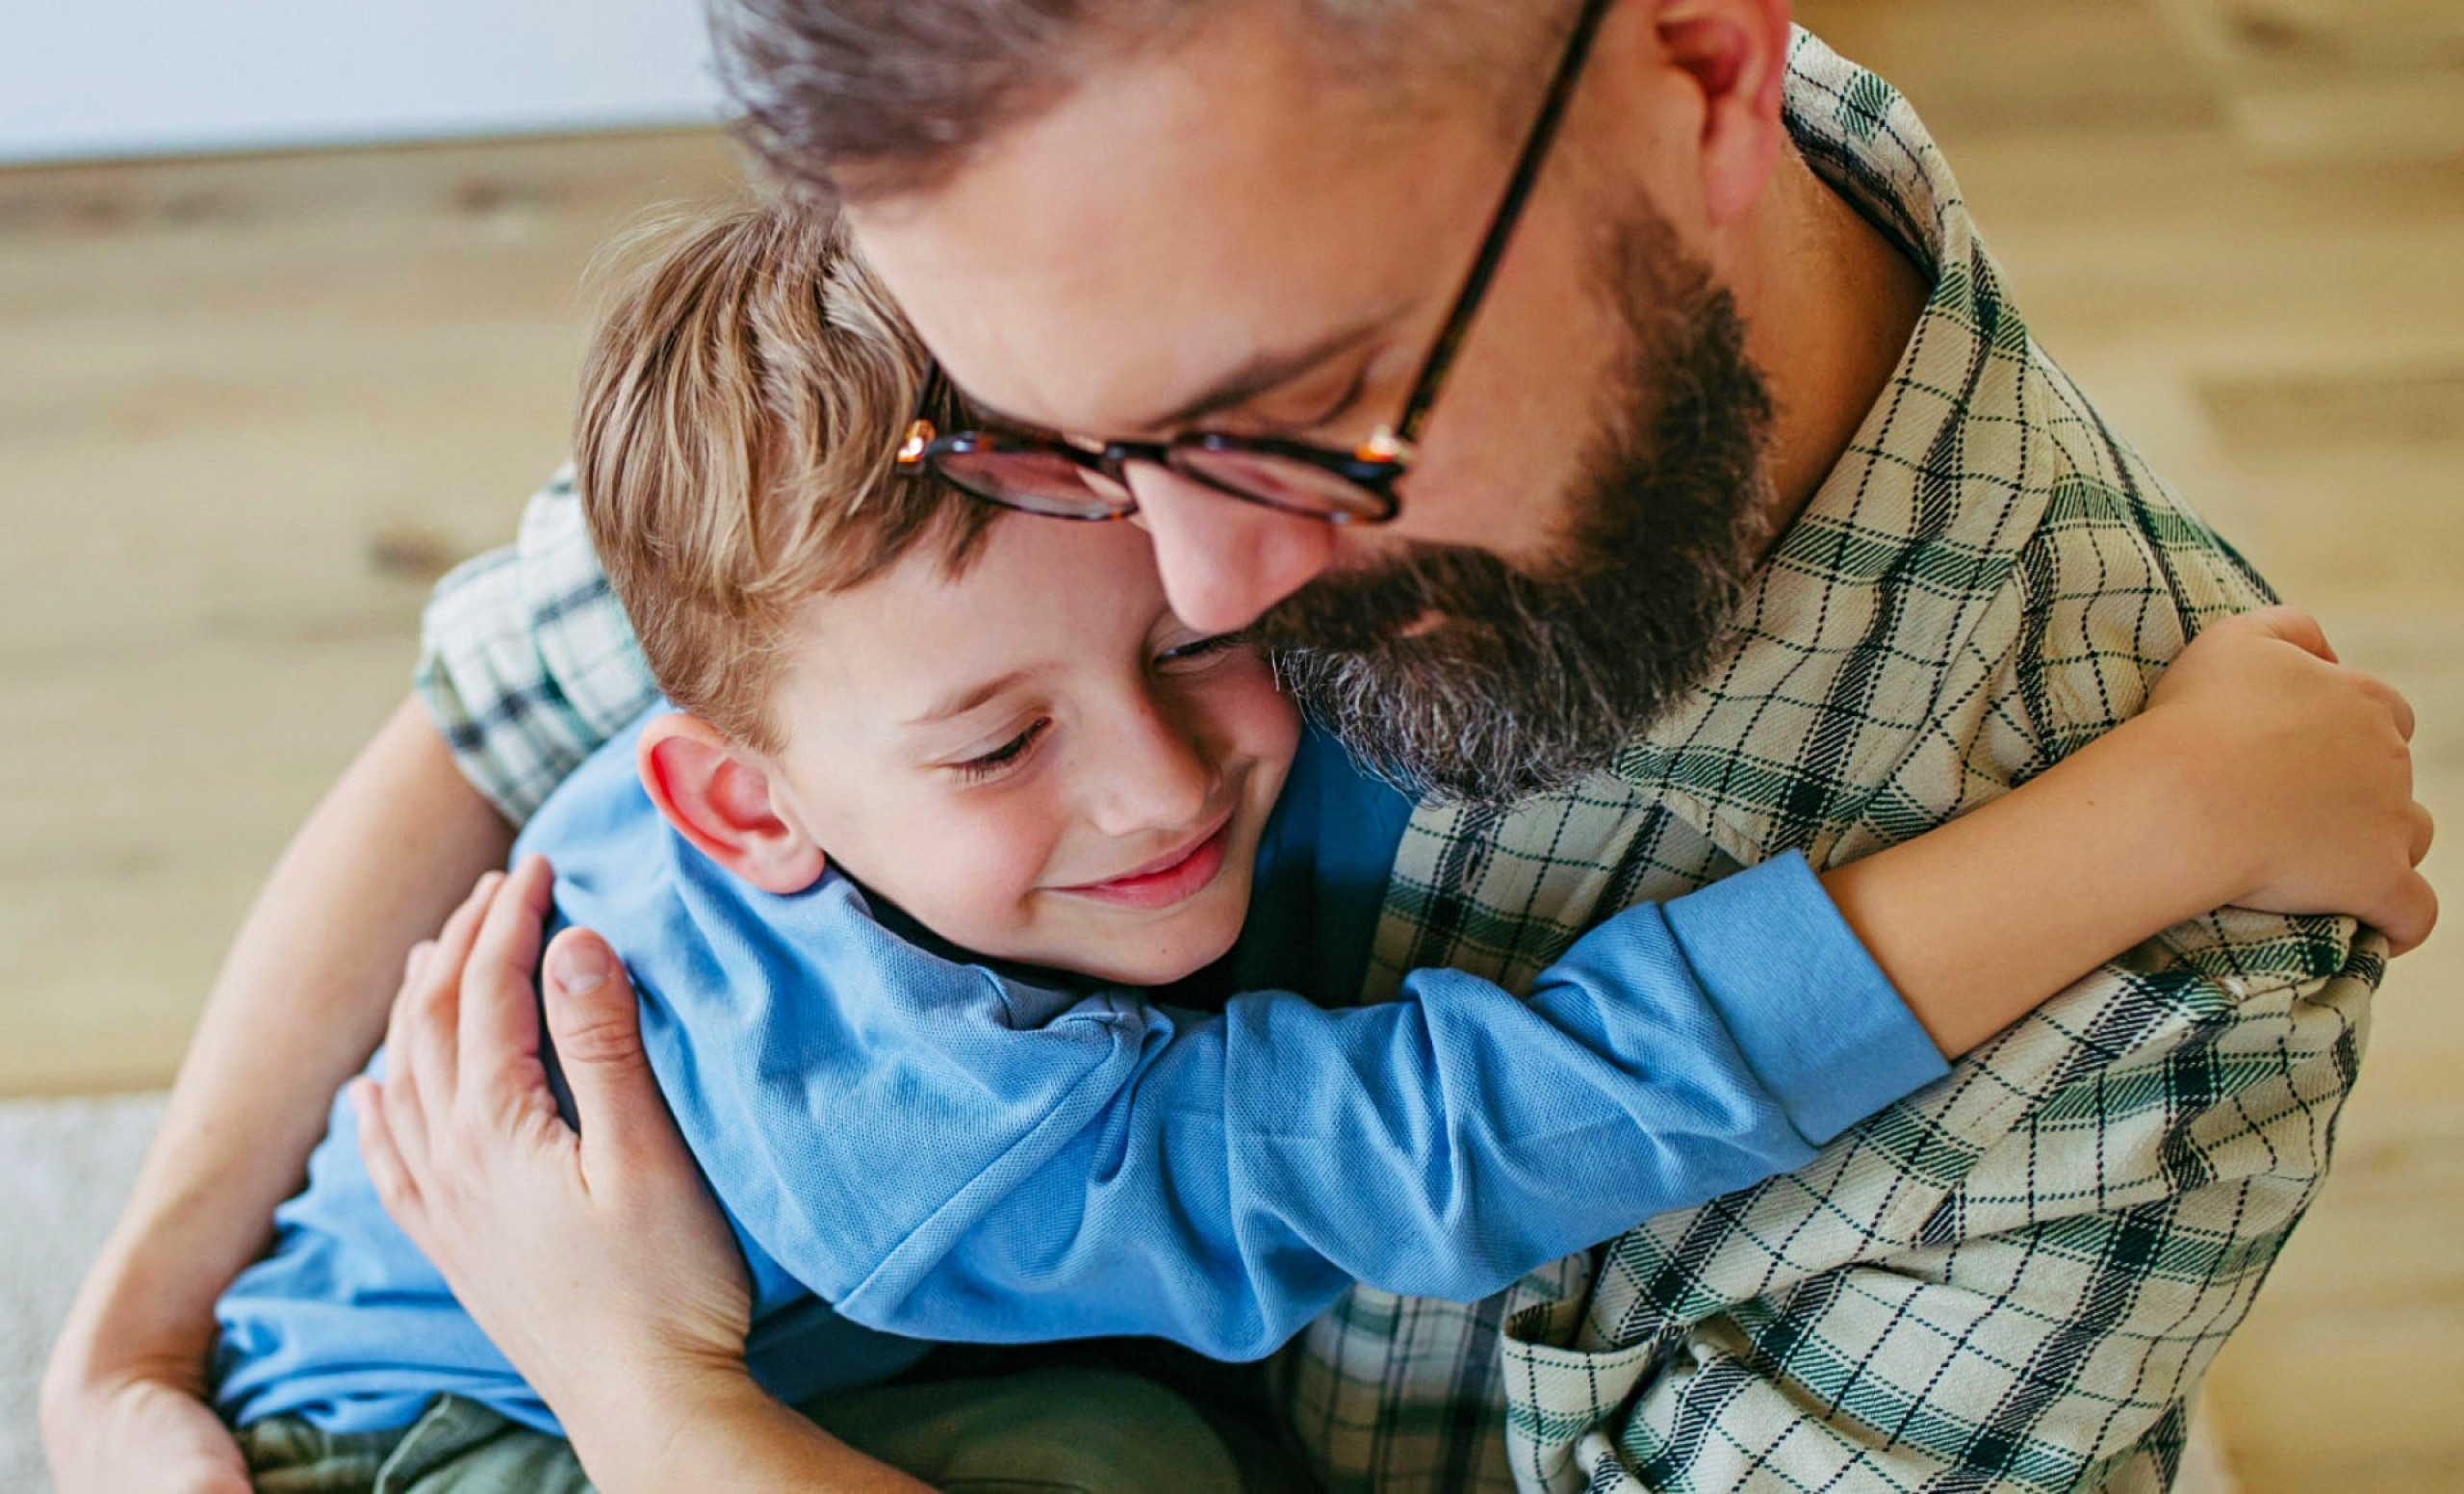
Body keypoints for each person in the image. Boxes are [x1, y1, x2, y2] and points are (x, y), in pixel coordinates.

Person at [38, 6, 2443, 1493]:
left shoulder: (2162, 1007)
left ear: (1695, 66)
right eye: (1080, 450)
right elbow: (501, 701)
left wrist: (2151, 826)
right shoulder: (1041, 260)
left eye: (1295, 426)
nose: (1193, 608)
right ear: (740, 797)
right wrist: (145, 1351)